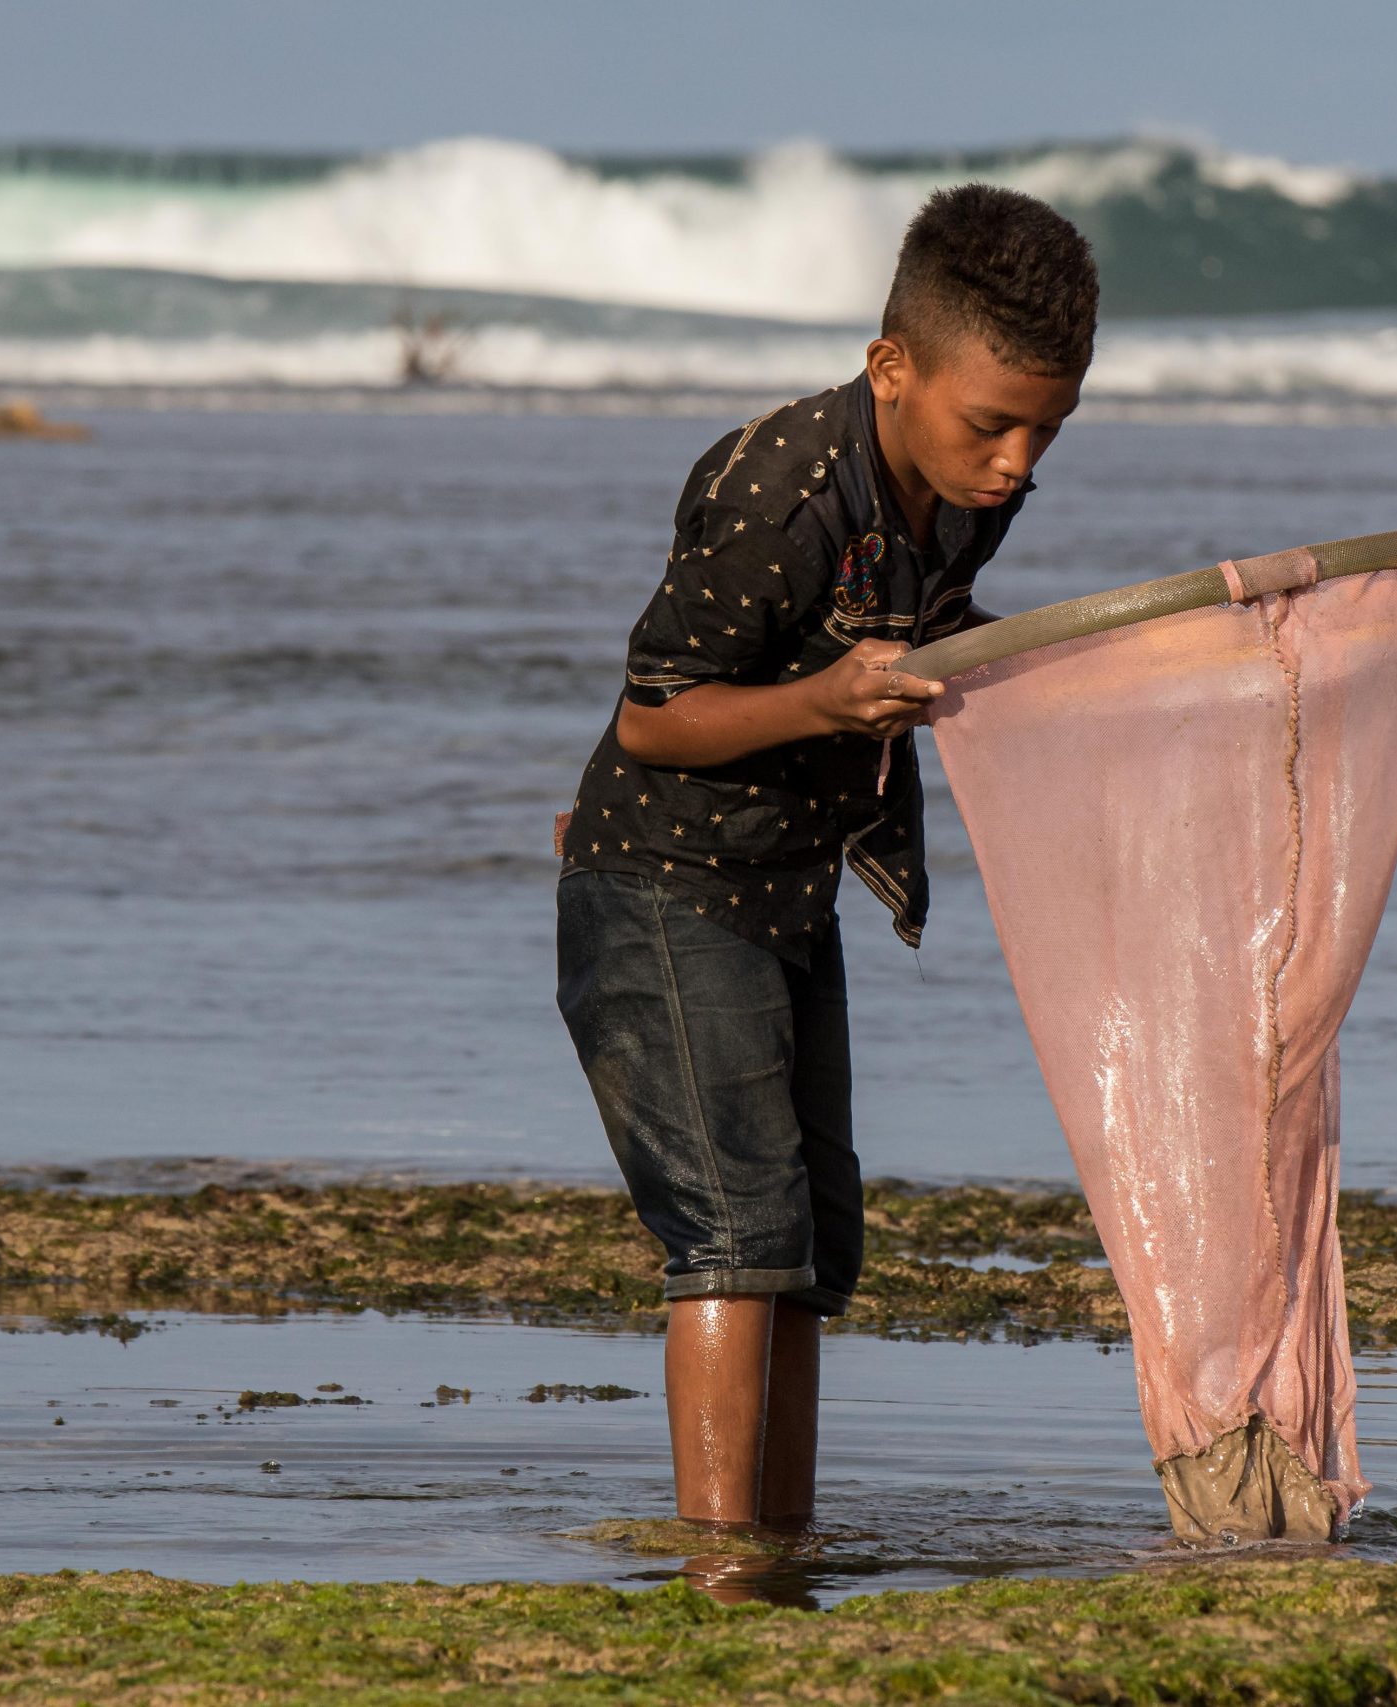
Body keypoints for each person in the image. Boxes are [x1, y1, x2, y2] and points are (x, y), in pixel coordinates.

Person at [553, 184, 1097, 1531]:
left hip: (787, 893)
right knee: (734, 1237)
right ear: (890, 366)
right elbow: (653, 716)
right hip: (660, 887)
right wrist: (827, 703)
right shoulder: (780, 492)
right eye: (993, 425)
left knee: (805, 1255)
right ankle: (722, 1568)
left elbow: (963, 635)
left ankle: (780, 1547)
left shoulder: (963, 493)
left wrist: (1330, 638)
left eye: (1047, 428)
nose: (1016, 463)